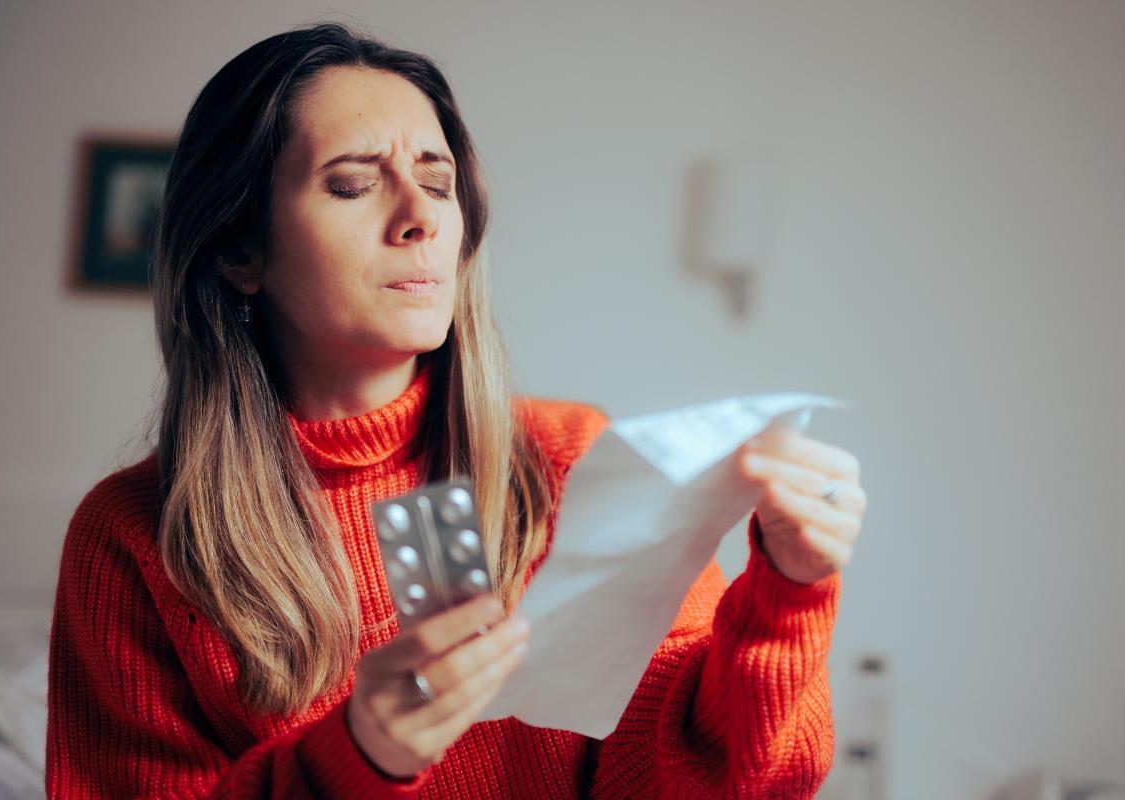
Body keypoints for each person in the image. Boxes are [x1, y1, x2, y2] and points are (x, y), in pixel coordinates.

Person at [45, 20, 868, 800]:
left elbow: (704, 780)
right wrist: (359, 757)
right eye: (353, 184)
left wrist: (788, 596)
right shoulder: (132, 538)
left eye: (438, 183)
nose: (421, 217)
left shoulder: (572, 456)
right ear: (240, 249)